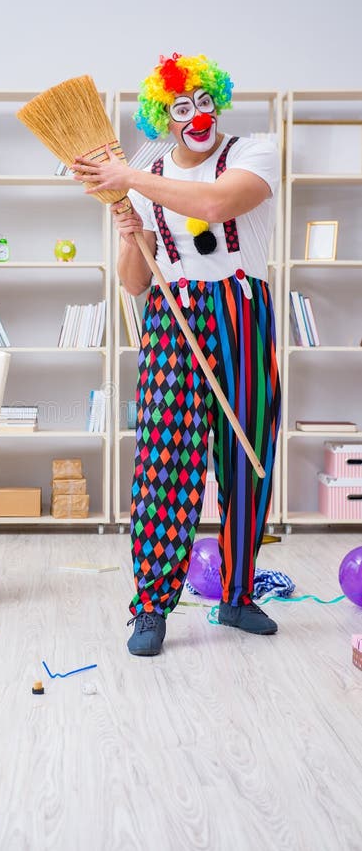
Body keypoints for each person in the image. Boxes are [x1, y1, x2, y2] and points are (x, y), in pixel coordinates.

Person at [72, 52, 281, 655]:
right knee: (164, 460)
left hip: (243, 309)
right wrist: (129, 229)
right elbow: (135, 283)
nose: (198, 116)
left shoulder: (251, 150)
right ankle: (152, 608)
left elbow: (218, 204)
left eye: (205, 101)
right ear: (165, 116)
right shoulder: (146, 173)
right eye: (182, 106)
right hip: (173, 314)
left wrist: (128, 179)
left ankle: (238, 598)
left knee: (247, 455)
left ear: (219, 102)